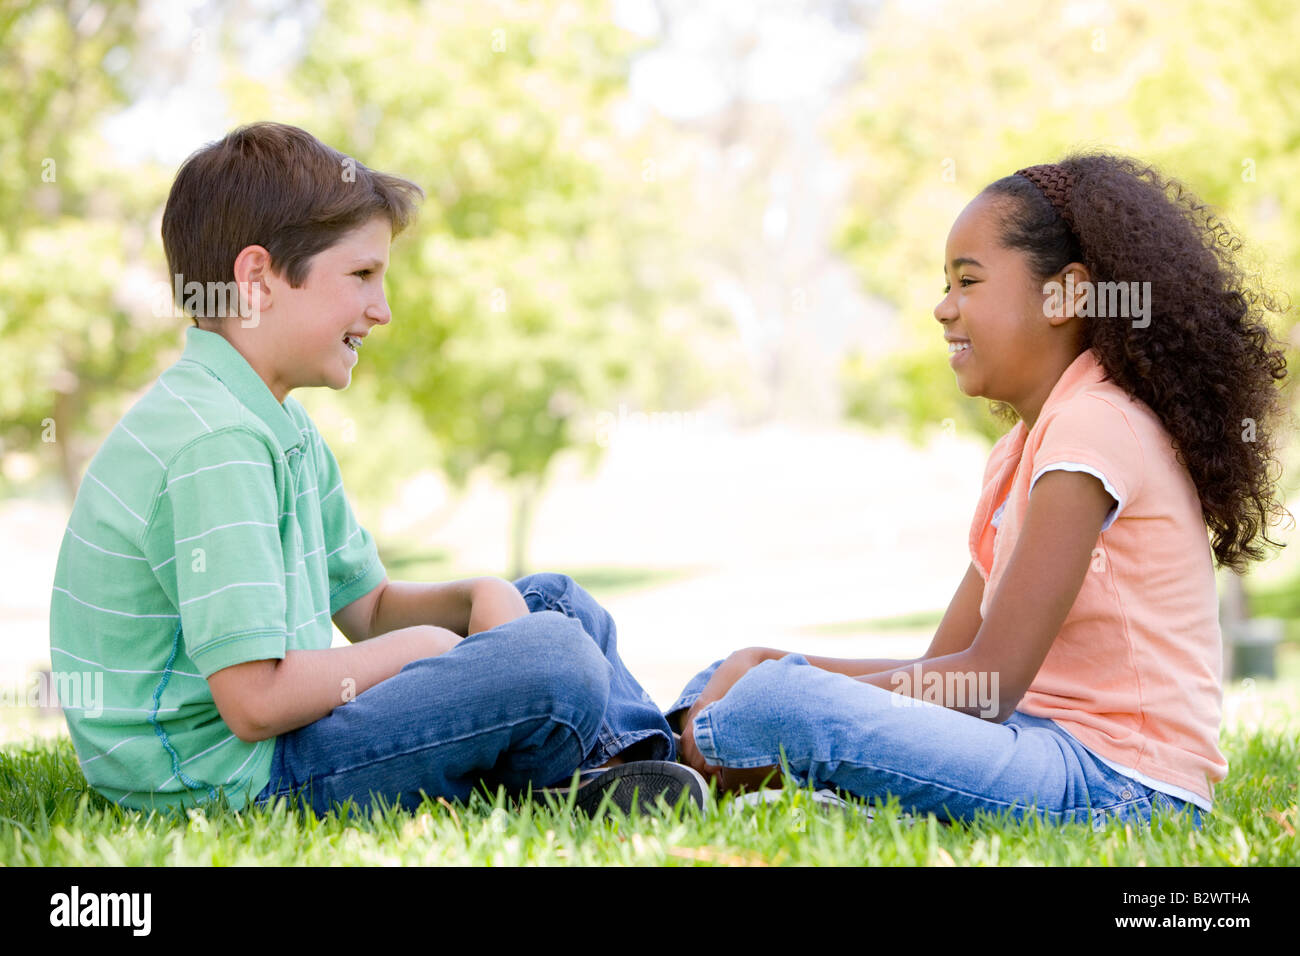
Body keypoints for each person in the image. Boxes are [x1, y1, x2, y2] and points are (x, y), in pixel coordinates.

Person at [48, 121, 704, 817]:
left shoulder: (275, 422)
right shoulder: (215, 442)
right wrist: (426, 647)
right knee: (552, 658)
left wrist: (470, 600)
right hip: (234, 778)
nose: (382, 310)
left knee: (553, 603)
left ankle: (632, 767)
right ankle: (593, 776)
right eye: (361, 275)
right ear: (258, 279)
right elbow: (255, 701)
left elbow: (367, 609)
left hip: (278, 736)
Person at [671, 154, 1291, 829]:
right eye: (946, 285)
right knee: (735, 674)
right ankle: (678, 763)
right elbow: (943, 667)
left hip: (1122, 784)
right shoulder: (1022, 450)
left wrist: (786, 688)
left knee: (777, 703)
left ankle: (679, 764)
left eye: (967, 281)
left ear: (1065, 295)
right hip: (1036, 745)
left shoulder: (1095, 425)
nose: (943, 308)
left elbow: (988, 684)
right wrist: (766, 661)